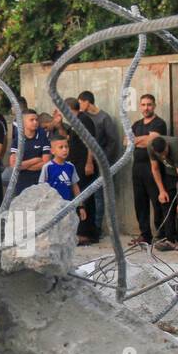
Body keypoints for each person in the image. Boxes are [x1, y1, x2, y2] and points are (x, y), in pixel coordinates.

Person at [129, 93, 168, 246]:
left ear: (154, 106)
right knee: (140, 203)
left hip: (153, 167)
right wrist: (143, 139)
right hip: (137, 167)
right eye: (143, 105)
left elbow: (152, 142)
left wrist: (136, 140)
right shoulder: (136, 124)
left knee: (157, 202)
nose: (146, 108)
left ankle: (161, 235)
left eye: (149, 104)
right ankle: (145, 235)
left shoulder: (159, 123)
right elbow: (127, 141)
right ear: (140, 106)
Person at [79, 91, 118, 233]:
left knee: (99, 196)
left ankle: (97, 227)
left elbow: (112, 141)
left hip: (101, 164)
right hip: (87, 163)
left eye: (80, 102)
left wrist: (103, 159)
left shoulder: (104, 118)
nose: (79, 105)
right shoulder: (84, 118)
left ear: (87, 102)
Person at [63, 98, 101, 244]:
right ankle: (82, 231)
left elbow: (90, 142)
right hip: (77, 165)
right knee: (80, 198)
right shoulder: (74, 122)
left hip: (85, 165)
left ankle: (89, 233)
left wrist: (89, 162)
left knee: (86, 198)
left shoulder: (84, 120)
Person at [148, 134, 178, 251]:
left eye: (164, 152)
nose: (163, 156)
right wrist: (161, 190)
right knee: (166, 203)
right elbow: (155, 168)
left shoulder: (175, 148)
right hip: (169, 174)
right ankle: (170, 239)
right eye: (160, 155)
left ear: (167, 146)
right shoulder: (150, 148)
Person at [38, 137, 88, 226]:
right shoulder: (47, 167)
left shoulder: (70, 167)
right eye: (61, 147)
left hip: (68, 207)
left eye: (66, 147)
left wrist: (81, 206)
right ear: (52, 151)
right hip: (52, 209)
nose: (65, 150)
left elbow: (75, 187)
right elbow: (42, 189)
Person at [10, 108, 51, 196]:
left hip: (40, 182)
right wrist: (36, 160)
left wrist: (23, 165)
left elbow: (46, 163)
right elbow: (14, 165)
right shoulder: (17, 140)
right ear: (23, 122)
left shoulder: (43, 138)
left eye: (36, 120)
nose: (35, 122)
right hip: (22, 183)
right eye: (31, 120)